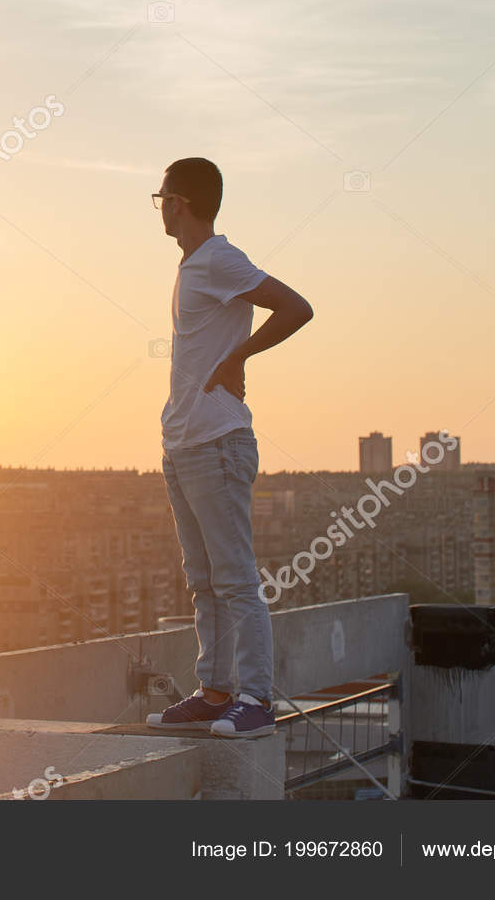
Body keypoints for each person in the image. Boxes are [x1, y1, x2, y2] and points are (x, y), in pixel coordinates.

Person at [145, 158, 313, 739]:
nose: (159, 207)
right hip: (185, 443)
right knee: (203, 578)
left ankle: (256, 700)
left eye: (161, 196)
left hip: (217, 443)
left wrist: (240, 356)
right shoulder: (193, 265)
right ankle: (215, 691)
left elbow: (296, 308)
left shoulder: (218, 258)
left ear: (179, 201)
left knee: (236, 578)